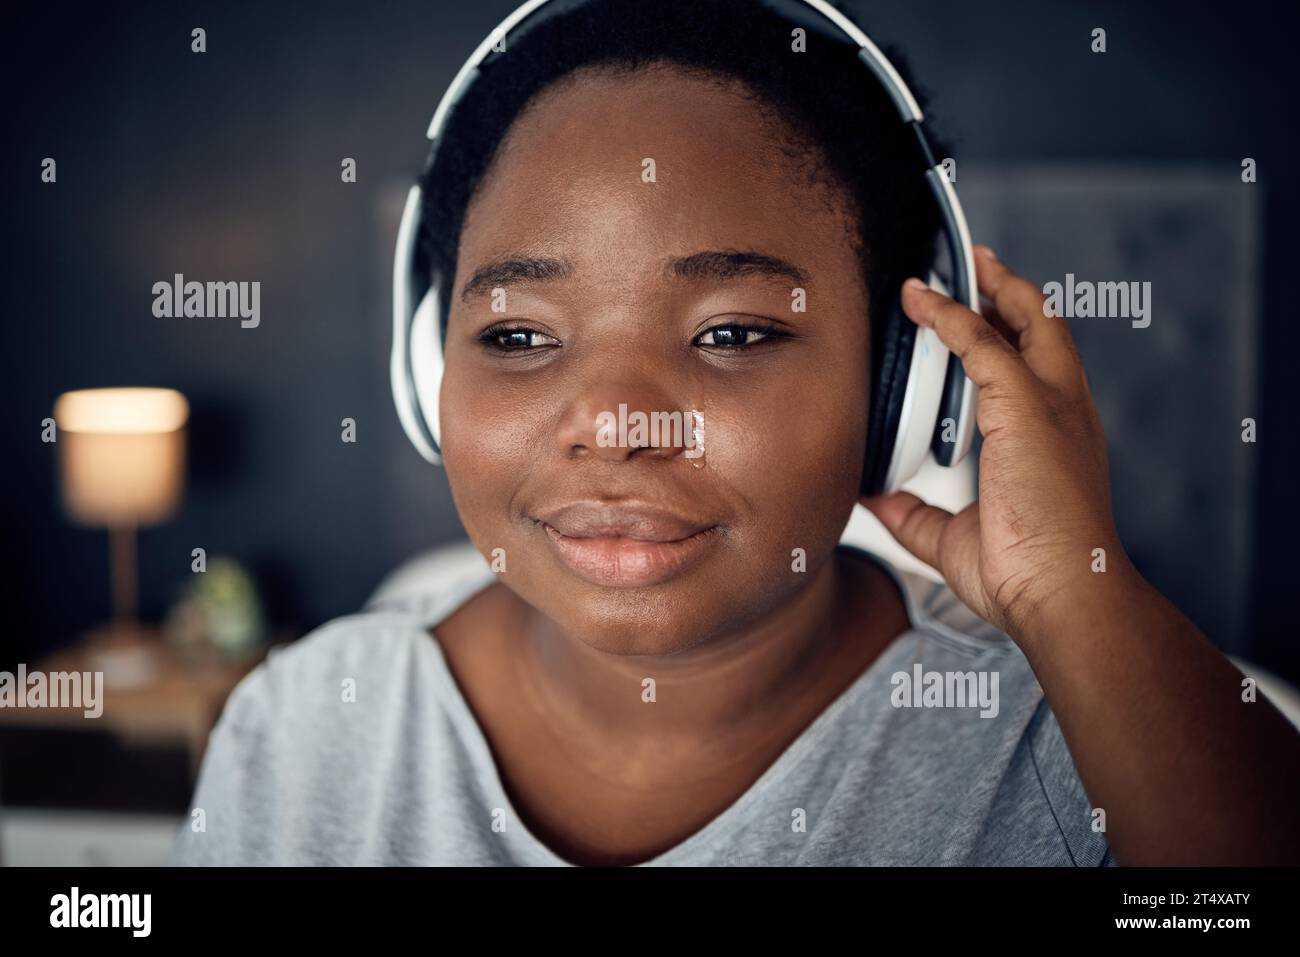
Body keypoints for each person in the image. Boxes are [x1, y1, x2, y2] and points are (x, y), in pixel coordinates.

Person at [170, 0, 1300, 866]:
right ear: (428, 371)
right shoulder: (305, 731)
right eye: (516, 337)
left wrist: (1069, 585)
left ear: (905, 385)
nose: (615, 423)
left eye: (736, 332)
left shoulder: (1074, 765)